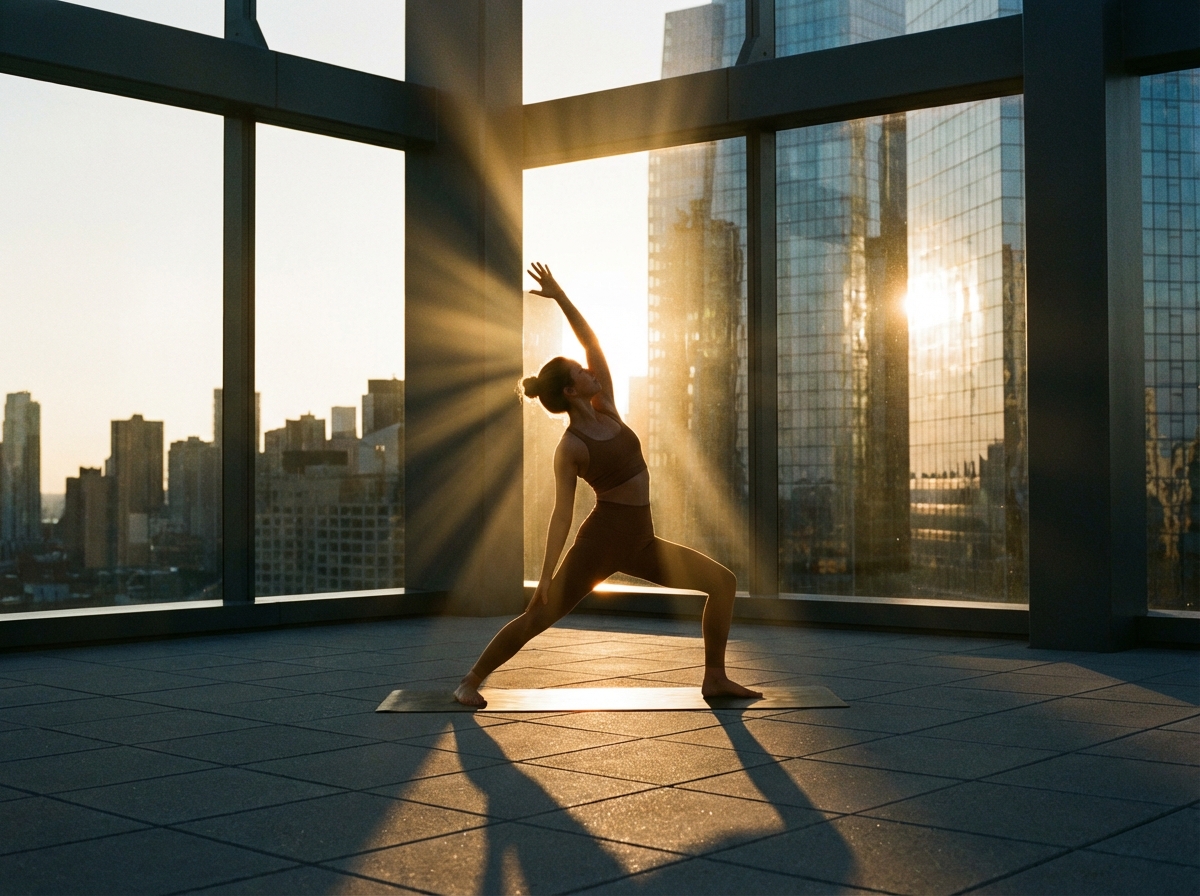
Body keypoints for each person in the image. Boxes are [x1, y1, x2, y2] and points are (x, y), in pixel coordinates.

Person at [454, 263, 761, 707]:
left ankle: (714, 677)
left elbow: (591, 341)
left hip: (640, 539)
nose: (590, 370)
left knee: (723, 582)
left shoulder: (608, 408)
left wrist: (560, 296)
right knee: (537, 617)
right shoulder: (571, 447)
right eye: (581, 372)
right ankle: (470, 680)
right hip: (600, 542)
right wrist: (543, 578)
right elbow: (562, 514)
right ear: (571, 391)